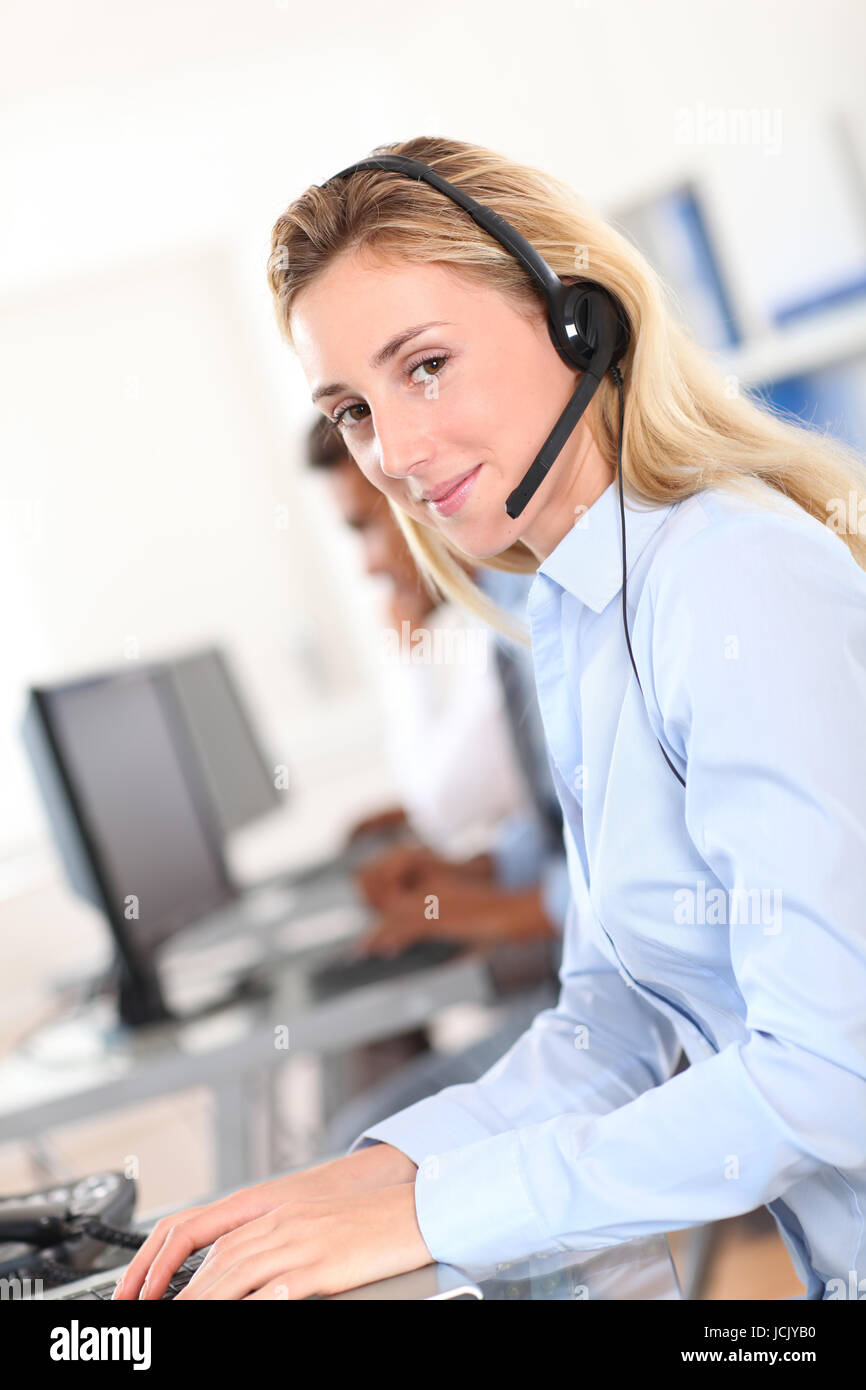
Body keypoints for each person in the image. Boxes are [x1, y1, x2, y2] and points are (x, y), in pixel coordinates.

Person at [114, 135, 866, 1302]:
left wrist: (432, 1212)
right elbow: (612, 1024)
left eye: (424, 365)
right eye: (354, 408)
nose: (396, 454)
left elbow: (829, 1071)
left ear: (579, 320)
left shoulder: (733, 579)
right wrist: (375, 1176)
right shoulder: (573, 607)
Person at [304, 414, 568, 1152]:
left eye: (364, 527)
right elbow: (558, 823)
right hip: (586, 978)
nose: (367, 565)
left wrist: (404, 649)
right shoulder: (508, 612)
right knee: (371, 1093)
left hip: (622, 999)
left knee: (362, 1138)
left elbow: (440, 803)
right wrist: (477, 873)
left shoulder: (537, 604)